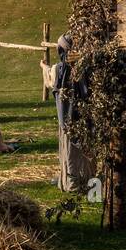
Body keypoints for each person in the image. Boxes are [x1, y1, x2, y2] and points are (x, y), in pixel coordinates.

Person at [41, 33, 94, 192]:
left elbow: (50, 80)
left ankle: (72, 183)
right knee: (86, 147)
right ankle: (89, 180)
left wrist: (43, 67)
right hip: (85, 116)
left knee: (70, 150)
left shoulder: (59, 69)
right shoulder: (87, 67)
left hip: (67, 118)